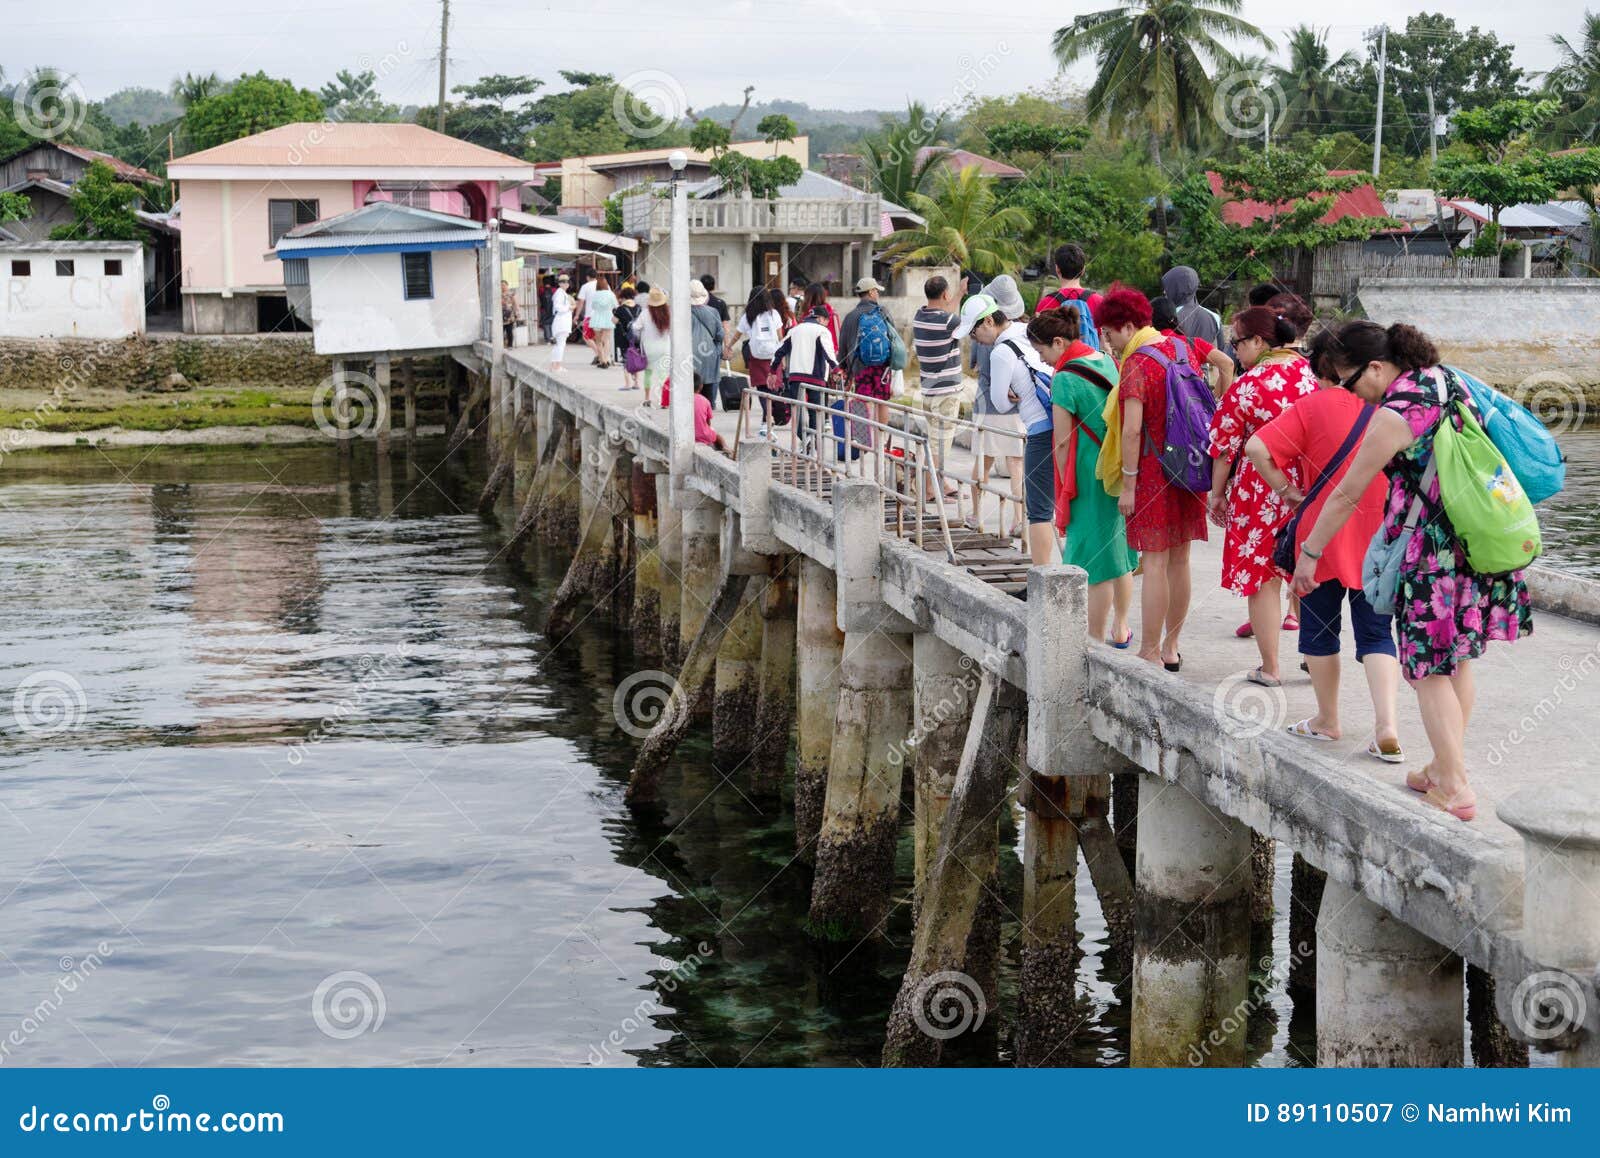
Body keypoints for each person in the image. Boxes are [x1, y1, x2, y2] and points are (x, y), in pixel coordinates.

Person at [1290, 322, 1533, 822]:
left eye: (1351, 381)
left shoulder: (1395, 415)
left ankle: (1457, 787)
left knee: (1428, 671)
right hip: (1476, 540)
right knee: (1459, 659)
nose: (1352, 394)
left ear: (1376, 367)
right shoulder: (1448, 380)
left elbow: (1346, 493)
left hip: (1430, 555)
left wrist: (1309, 554)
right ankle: (1443, 768)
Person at [1245, 328, 1402, 762]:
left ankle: (1327, 720)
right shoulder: (1390, 409)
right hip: (1379, 532)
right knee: (1376, 633)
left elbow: (1257, 447)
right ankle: (1387, 727)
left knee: (1320, 630)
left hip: (1321, 532)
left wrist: (1286, 490)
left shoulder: (1311, 406)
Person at [1204, 297, 1320, 686]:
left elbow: (1224, 447)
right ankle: (1314, 656)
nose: (1233, 352)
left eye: (1236, 343)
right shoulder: (1311, 375)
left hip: (1259, 486)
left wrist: (1216, 494)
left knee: (1263, 577)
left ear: (1257, 342)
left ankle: (1270, 667)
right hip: (1307, 483)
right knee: (1306, 570)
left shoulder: (1248, 386)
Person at [1098, 285, 1209, 671]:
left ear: (1127, 326)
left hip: (1152, 470)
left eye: (1109, 334)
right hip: (1190, 465)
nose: (1107, 343)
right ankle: (1171, 647)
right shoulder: (1183, 349)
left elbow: (1131, 430)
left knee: (1155, 562)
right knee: (1181, 560)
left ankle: (1147, 649)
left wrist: (1128, 484)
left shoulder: (1137, 363)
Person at [1028, 306, 1136, 646]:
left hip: (1089, 472)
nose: (1042, 359)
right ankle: (1121, 627)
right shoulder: (1105, 359)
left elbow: (1060, 442)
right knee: (1118, 550)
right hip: (1117, 466)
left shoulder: (1064, 378)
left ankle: (1093, 639)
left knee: (1093, 559)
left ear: (1058, 343)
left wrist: (1064, 485)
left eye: (1042, 351)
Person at [956, 292, 1057, 565]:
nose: (975, 340)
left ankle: (1042, 575)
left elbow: (1000, 403)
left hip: (1038, 427)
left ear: (988, 321)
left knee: (1039, 512)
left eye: (975, 333)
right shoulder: (1027, 330)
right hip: (1060, 420)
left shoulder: (1001, 351)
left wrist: (1011, 391)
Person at [968, 276, 1027, 537]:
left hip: (985, 402)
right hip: (1014, 407)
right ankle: (1018, 518)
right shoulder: (1020, 333)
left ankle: (976, 513)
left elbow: (973, 366)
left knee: (983, 462)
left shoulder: (980, 329)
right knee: (1016, 464)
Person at [912, 275, 963, 498]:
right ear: (945, 294)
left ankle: (940, 482)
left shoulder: (919, 316)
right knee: (940, 443)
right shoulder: (948, 321)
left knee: (935, 439)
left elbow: (946, 314)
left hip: (928, 390)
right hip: (947, 393)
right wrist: (961, 294)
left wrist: (957, 294)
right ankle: (930, 488)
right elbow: (962, 323)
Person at [774, 289, 839, 452]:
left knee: (796, 410)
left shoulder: (795, 330)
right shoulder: (822, 331)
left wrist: (772, 370)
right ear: (821, 319)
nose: (826, 323)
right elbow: (828, 352)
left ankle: (805, 438)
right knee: (815, 410)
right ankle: (812, 441)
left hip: (795, 376)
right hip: (816, 377)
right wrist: (836, 368)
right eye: (826, 320)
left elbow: (780, 350)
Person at [837, 276, 895, 441]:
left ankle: (863, 439)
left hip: (860, 366)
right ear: (871, 292)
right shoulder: (883, 312)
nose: (878, 294)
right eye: (876, 290)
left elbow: (843, 345)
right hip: (883, 367)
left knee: (862, 401)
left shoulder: (851, 316)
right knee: (882, 401)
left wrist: (845, 369)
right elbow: (893, 338)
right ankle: (880, 441)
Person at [1153, 294, 1236, 394]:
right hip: (1193, 406)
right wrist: (1220, 401)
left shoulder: (1147, 347)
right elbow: (1227, 364)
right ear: (1175, 317)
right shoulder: (1191, 343)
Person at [1036, 243, 1104, 348]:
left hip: (1059, 363)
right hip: (1092, 361)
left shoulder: (1047, 302)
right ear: (1083, 270)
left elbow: (1039, 342)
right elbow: (1103, 339)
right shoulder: (1099, 301)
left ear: (1057, 269)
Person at [738, 289, 786, 435]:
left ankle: (766, 421)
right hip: (773, 358)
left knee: (762, 390)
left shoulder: (748, 316)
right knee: (772, 390)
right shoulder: (774, 314)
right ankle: (767, 421)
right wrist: (782, 358)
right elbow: (780, 338)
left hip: (756, 358)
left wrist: (728, 347)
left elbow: (737, 334)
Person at [1161, 265, 1232, 365]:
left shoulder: (1165, 317)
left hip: (1174, 377)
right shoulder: (1214, 317)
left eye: (1168, 287)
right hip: (1203, 377)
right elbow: (1222, 355)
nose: (1164, 292)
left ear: (1176, 289)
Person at [632, 287, 672, 406]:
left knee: (648, 373)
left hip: (649, 348)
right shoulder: (668, 313)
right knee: (663, 374)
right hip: (665, 347)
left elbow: (635, 327)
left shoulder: (645, 313)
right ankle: (663, 401)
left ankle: (647, 398)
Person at [688, 279, 725, 404]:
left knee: (690, 393)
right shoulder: (713, 312)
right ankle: (707, 419)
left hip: (689, 357)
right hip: (709, 355)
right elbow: (720, 335)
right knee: (708, 394)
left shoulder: (682, 313)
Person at [615, 286, 642, 392]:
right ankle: (636, 383)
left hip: (625, 338)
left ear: (623, 297)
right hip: (638, 339)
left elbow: (614, 321)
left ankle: (627, 384)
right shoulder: (639, 308)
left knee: (626, 361)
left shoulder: (621, 309)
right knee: (636, 360)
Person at [586, 275, 617, 370]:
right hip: (608, 317)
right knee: (606, 340)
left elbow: (593, 307)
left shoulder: (595, 294)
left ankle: (602, 360)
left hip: (597, 318)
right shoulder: (611, 294)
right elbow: (615, 305)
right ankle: (607, 359)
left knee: (598, 341)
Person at [700, 273, 732, 355]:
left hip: (698, 343)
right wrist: (727, 346)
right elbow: (726, 327)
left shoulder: (695, 304)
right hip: (715, 344)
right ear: (713, 286)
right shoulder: (720, 303)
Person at [547, 273, 574, 371]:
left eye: (567, 282)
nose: (566, 284)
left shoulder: (562, 293)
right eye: (564, 282)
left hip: (562, 321)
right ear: (560, 283)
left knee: (558, 345)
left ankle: (554, 365)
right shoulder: (560, 293)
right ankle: (557, 366)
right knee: (561, 345)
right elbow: (558, 307)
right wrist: (569, 307)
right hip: (561, 322)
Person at [501, 280, 522, 346]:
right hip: (501, 315)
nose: (502, 287)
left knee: (509, 330)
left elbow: (515, 303)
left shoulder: (511, 293)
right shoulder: (499, 294)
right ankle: (502, 345)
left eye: (504, 285)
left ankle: (510, 345)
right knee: (501, 331)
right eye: (501, 285)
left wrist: (517, 312)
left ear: (507, 285)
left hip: (509, 315)